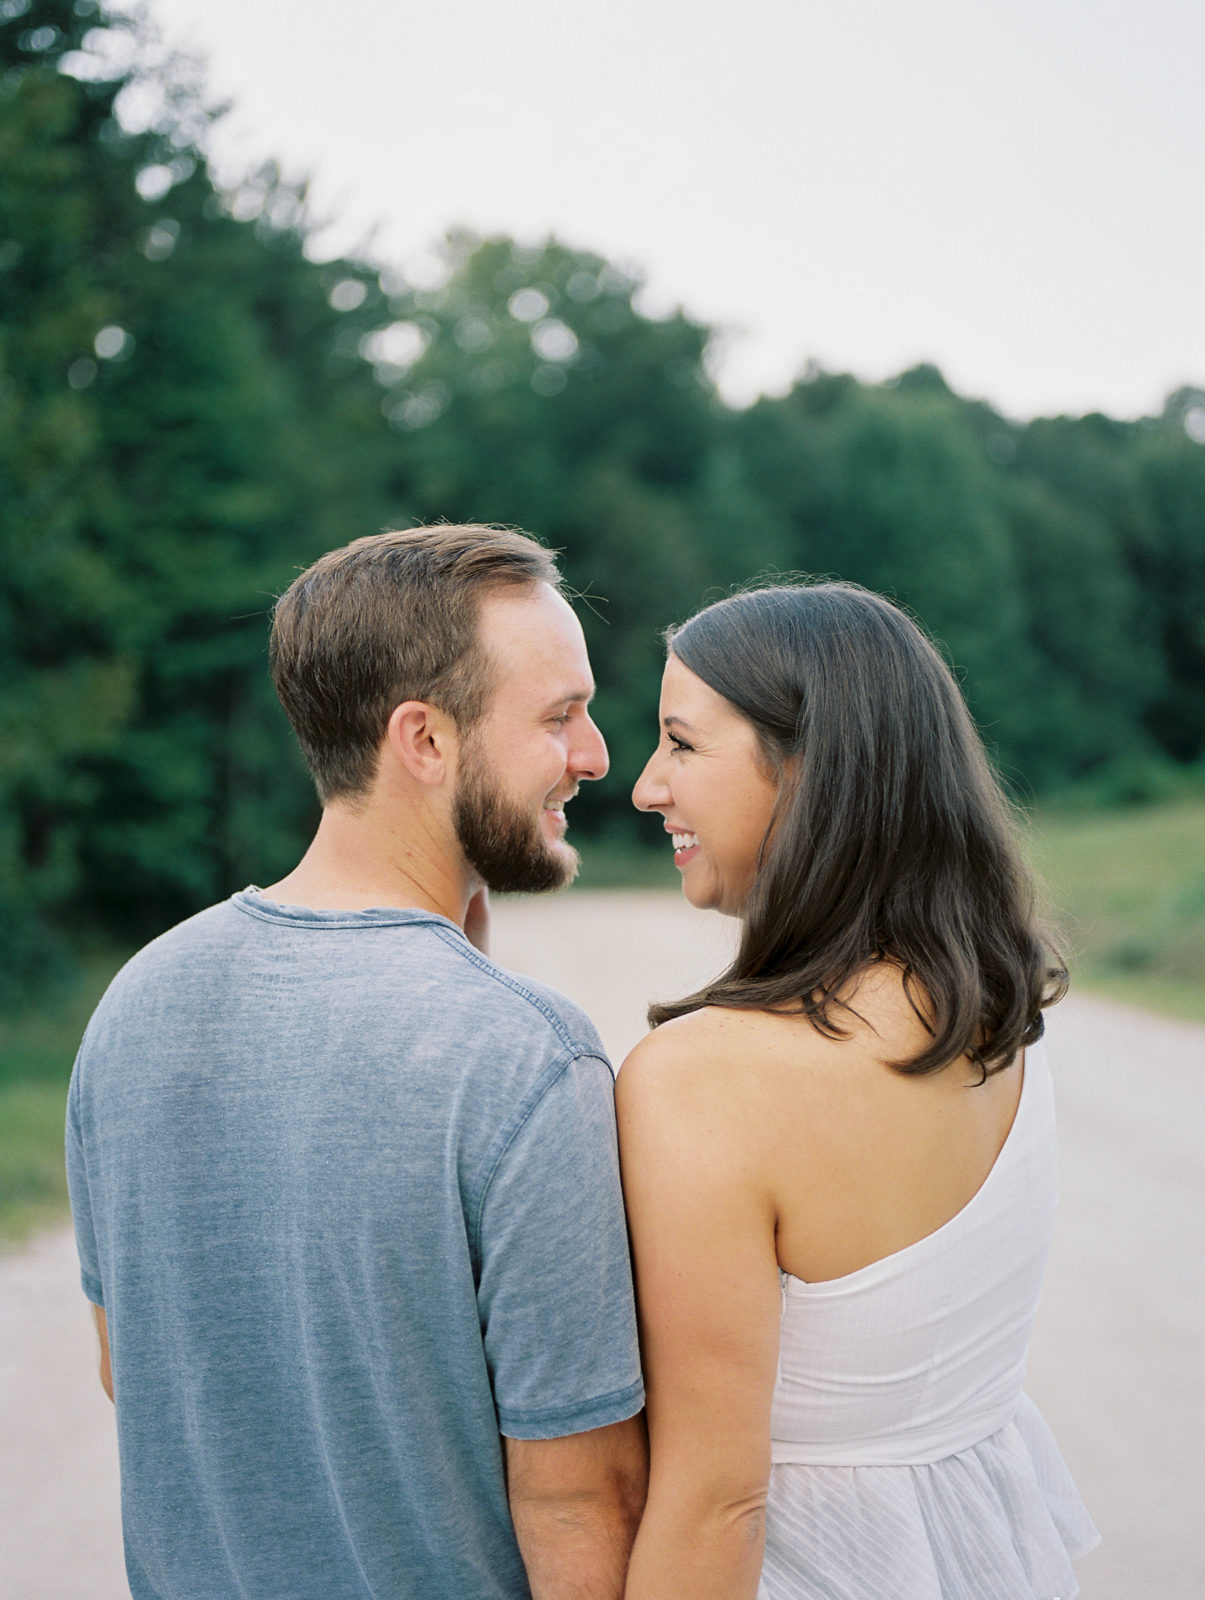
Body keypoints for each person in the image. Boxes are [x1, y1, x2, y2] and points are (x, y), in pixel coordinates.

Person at [65, 524, 647, 1600]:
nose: (596, 754)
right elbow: (579, 1496)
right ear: (423, 739)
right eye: (559, 715)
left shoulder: (136, 999)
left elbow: (135, 1372)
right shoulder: (526, 1057)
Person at [617, 582, 1100, 1600]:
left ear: (803, 768)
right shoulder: (997, 1012)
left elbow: (716, 1506)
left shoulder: (705, 1079)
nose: (647, 786)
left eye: (680, 744)